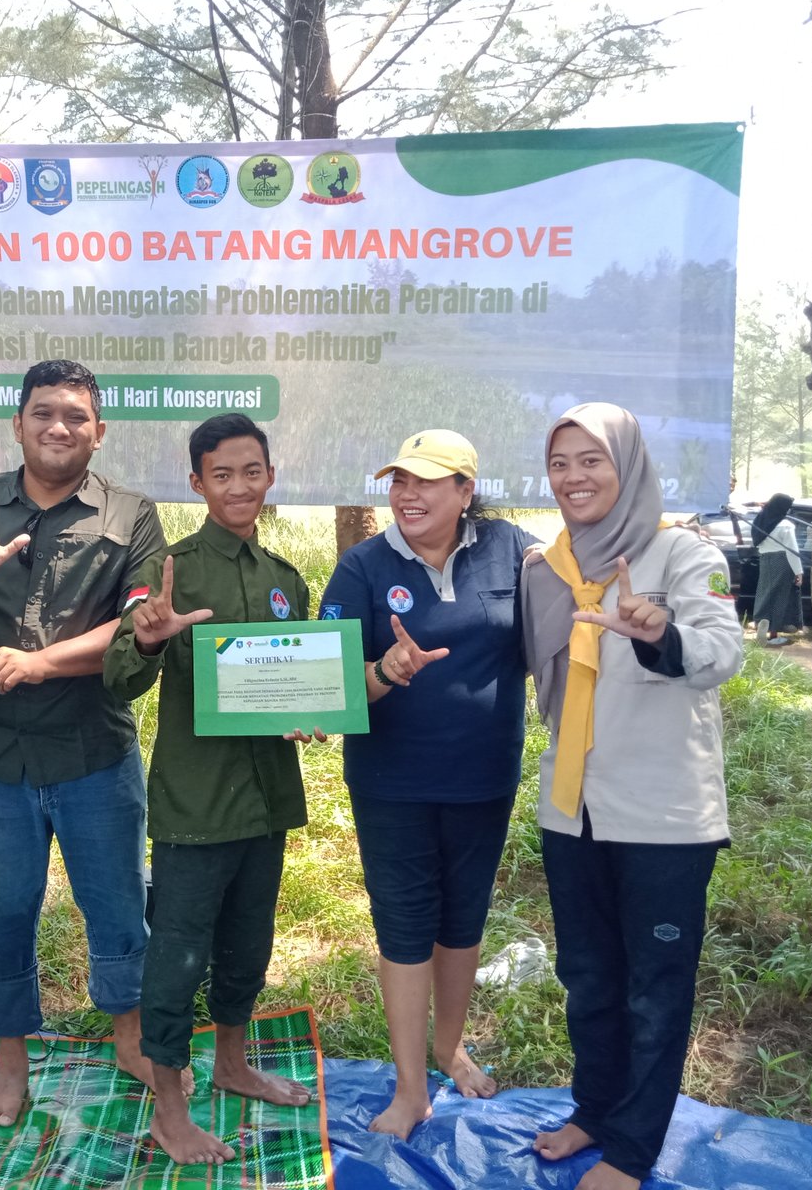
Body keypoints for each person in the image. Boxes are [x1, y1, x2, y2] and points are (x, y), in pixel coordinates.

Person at [0, 359, 166, 1126]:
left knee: (117, 905)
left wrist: (40, 662)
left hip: (94, 752)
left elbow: (140, 623)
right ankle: (11, 1059)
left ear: (99, 431)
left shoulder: (131, 513)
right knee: (1, 912)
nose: (59, 427)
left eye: (76, 416)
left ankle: (130, 1036)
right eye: (44, 413)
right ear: (18, 424)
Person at [522, 403, 742, 1190]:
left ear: (628, 466)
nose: (573, 477)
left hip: (662, 816)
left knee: (654, 990)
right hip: (571, 807)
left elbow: (722, 650)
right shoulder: (545, 567)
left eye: (592, 460)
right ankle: (594, 1109)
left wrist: (660, 634)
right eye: (560, 463)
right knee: (587, 976)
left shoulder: (683, 553)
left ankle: (632, 1149)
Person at [103, 414, 317, 1165]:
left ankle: (232, 1063)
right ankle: (169, 1109)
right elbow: (119, 676)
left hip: (266, 801)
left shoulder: (286, 579)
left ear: (270, 476)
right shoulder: (169, 572)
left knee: (248, 944)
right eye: (221, 474)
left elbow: (299, 681)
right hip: (196, 807)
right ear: (197, 482)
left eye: (251, 471)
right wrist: (148, 636)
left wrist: (309, 711)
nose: (238, 487)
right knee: (177, 958)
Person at [318, 429, 541, 1138]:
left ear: (465, 491)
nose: (407, 495)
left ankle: (450, 1047)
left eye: (426, 481)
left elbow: (568, 606)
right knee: (406, 924)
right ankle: (411, 1088)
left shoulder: (513, 550)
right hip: (394, 783)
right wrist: (386, 671)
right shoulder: (363, 566)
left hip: (484, 777)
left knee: (463, 919)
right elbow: (327, 684)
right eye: (399, 481)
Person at [749, 493, 803, 644]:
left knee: (765, 593)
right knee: (780, 597)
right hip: (783, 561)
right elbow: (792, 550)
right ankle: (774, 634)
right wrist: (798, 572)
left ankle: (762, 621)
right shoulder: (785, 525)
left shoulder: (760, 521)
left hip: (765, 559)